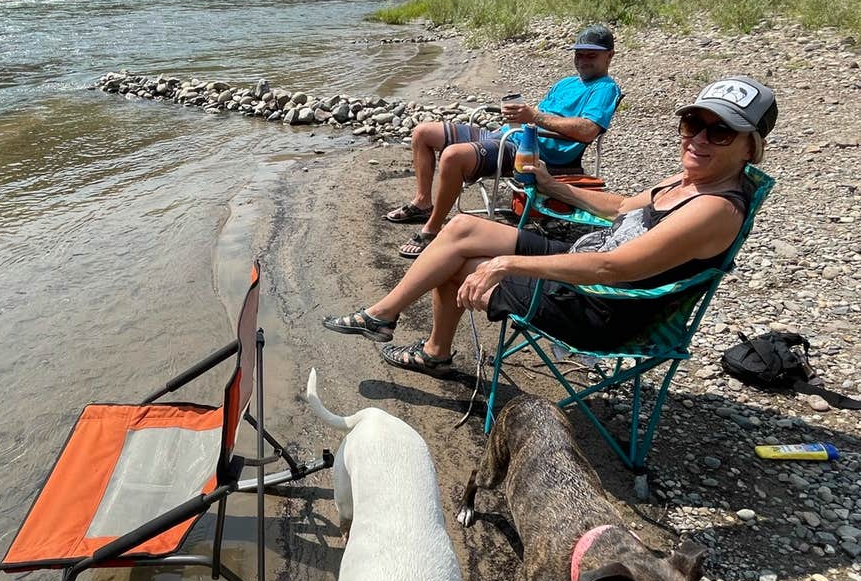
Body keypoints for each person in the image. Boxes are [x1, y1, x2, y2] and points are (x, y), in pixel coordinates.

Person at [325, 75, 777, 376]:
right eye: (693, 123)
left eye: (720, 133)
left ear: (750, 148)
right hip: (587, 262)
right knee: (462, 230)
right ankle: (382, 317)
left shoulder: (715, 208)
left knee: (462, 263)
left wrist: (504, 264)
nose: (698, 139)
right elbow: (622, 207)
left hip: (601, 307)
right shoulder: (689, 179)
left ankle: (433, 353)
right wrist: (553, 187)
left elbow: (613, 269)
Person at [384, 24, 622, 260]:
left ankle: (432, 230)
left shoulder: (605, 88)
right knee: (423, 132)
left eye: (591, 55)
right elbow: (540, 113)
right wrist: (518, 116)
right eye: (578, 55)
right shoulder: (566, 83)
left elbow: (588, 130)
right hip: (511, 134)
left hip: (531, 151)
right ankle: (423, 202)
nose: (582, 61)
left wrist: (533, 117)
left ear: (609, 55)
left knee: (453, 156)